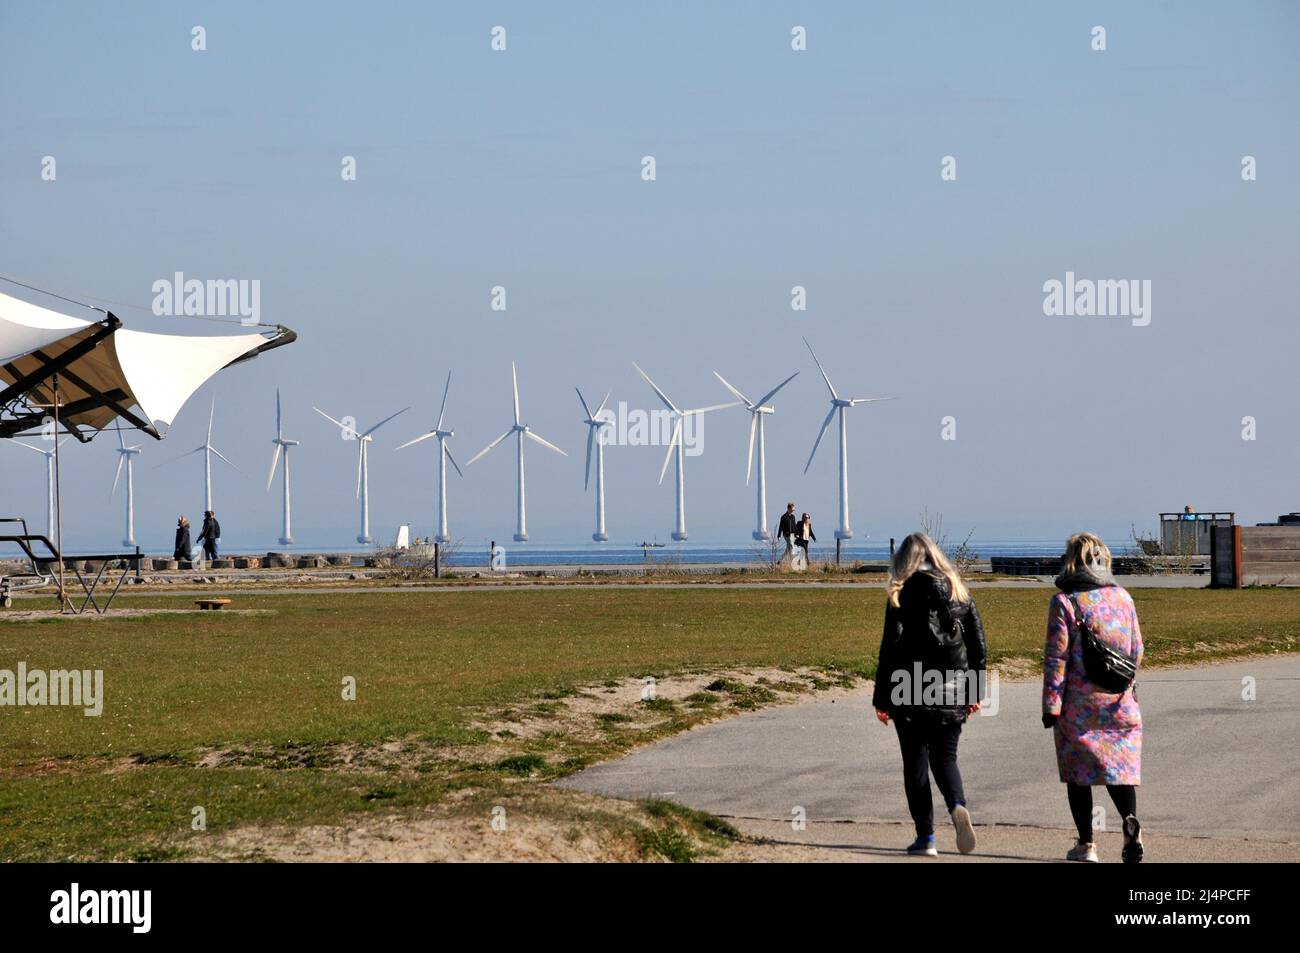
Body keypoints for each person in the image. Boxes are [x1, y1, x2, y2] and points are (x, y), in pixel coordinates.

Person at [873, 532, 986, 857]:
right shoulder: (959, 592)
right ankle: (956, 806)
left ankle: (926, 838)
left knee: (915, 763)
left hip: (908, 690)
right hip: (953, 690)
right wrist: (975, 690)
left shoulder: (900, 594)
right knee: (946, 757)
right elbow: (978, 647)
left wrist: (882, 699)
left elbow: (890, 649)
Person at [1043, 532, 1145, 863]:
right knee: (1119, 771)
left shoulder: (1066, 603)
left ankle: (1087, 844)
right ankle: (1131, 827)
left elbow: (1056, 659)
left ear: (1071, 561)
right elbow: (1137, 649)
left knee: (1078, 774)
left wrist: (1051, 705)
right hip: (1119, 701)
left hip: (1079, 706)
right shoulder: (1123, 598)